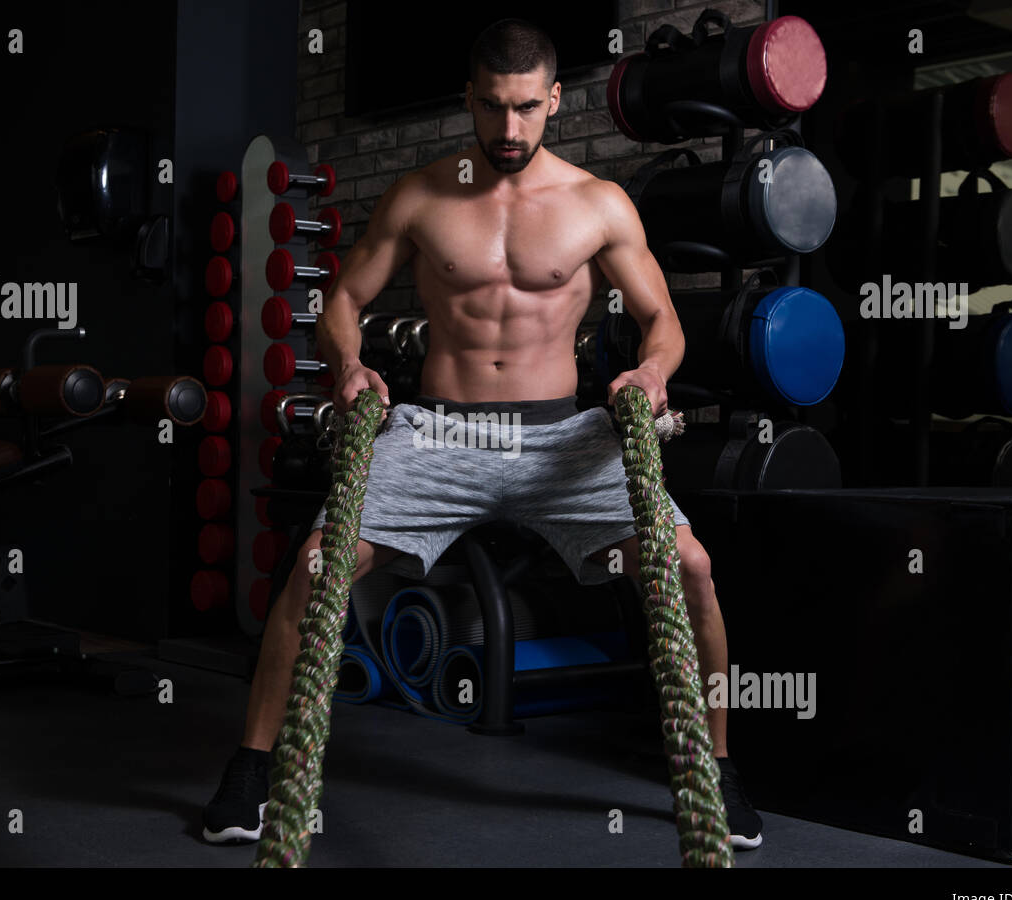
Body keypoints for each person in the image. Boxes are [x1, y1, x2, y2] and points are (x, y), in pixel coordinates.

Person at [204, 17, 762, 853]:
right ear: (470, 99)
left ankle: (715, 767)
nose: (509, 130)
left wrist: (649, 374)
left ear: (554, 102)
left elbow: (663, 321)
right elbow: (343, 302)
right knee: (316, 567)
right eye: (494, 109)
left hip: (562, 438)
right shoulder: (421, 196)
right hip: (439, 434)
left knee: (691, 568)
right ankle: (251, 771)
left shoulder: (596, 204)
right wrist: (349, 366)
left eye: (527, 110)